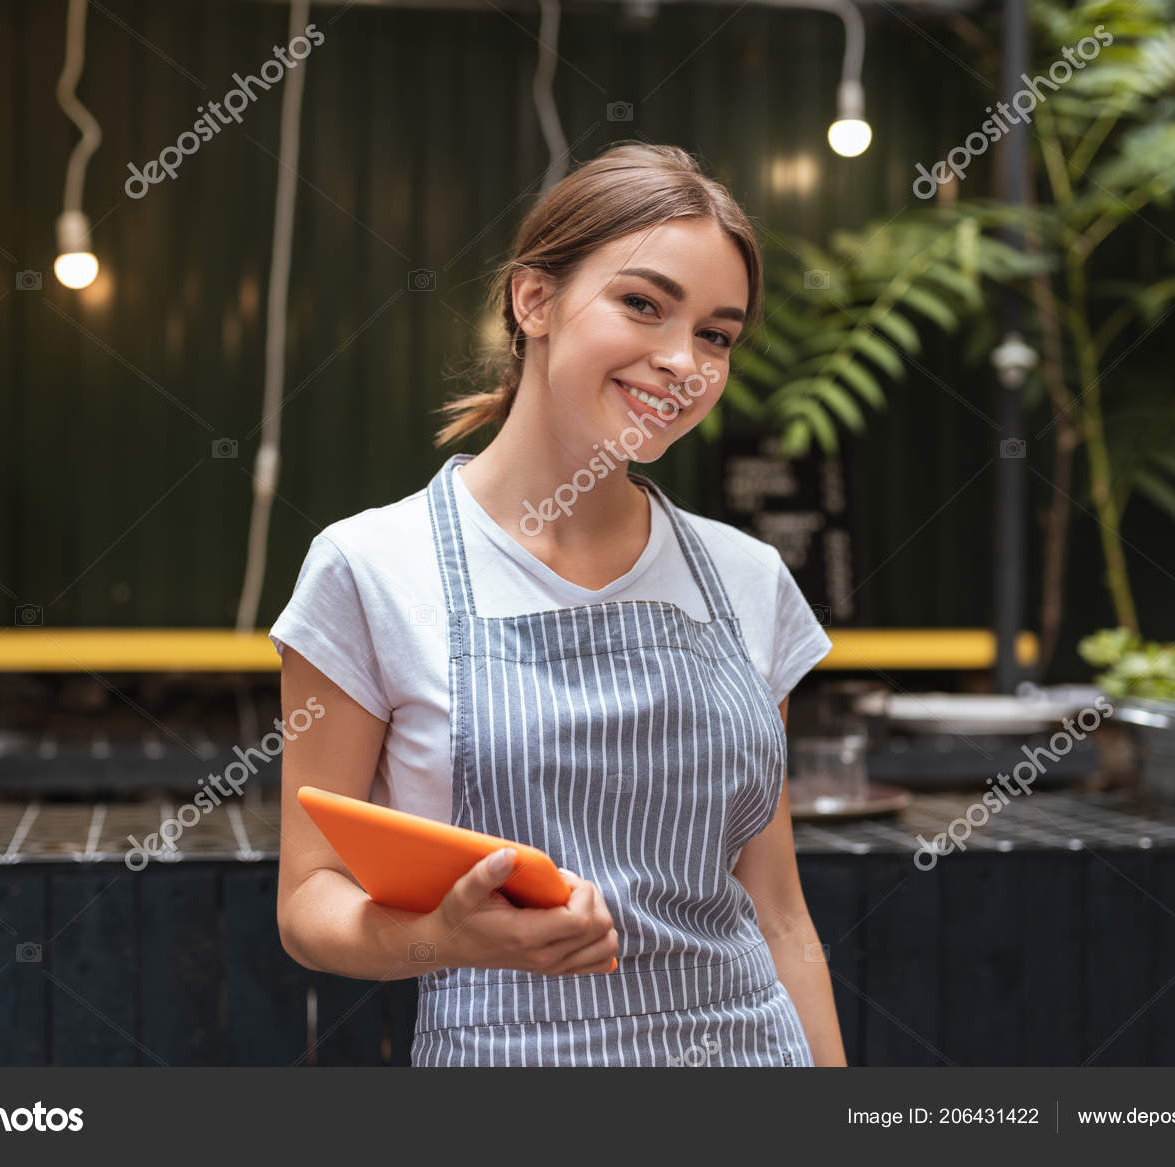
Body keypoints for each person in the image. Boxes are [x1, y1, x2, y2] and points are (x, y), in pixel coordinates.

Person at [271, 142, 845, 1067]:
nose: (682, 360)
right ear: (532, 300)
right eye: (644, 304)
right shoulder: (370, 568)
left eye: (717, 334)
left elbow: (778, 911)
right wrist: (447, 939)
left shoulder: (748, 579)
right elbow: (309, 901)